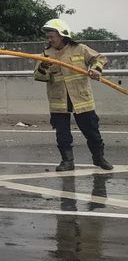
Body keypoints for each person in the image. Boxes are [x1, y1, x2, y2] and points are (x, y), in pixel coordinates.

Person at [33, 18, 112, 172]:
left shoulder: (80, 49)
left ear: (62, 35)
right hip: (59, 102)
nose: (49, 40)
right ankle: (67, 161)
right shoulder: (46, 54)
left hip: (82, 100)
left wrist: (96, 69)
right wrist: (43, 66)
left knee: (92, 132)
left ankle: (99, 158)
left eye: (52, 36)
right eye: (48, 37)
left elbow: (100, 58)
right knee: (62, 135)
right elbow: (38, 76)